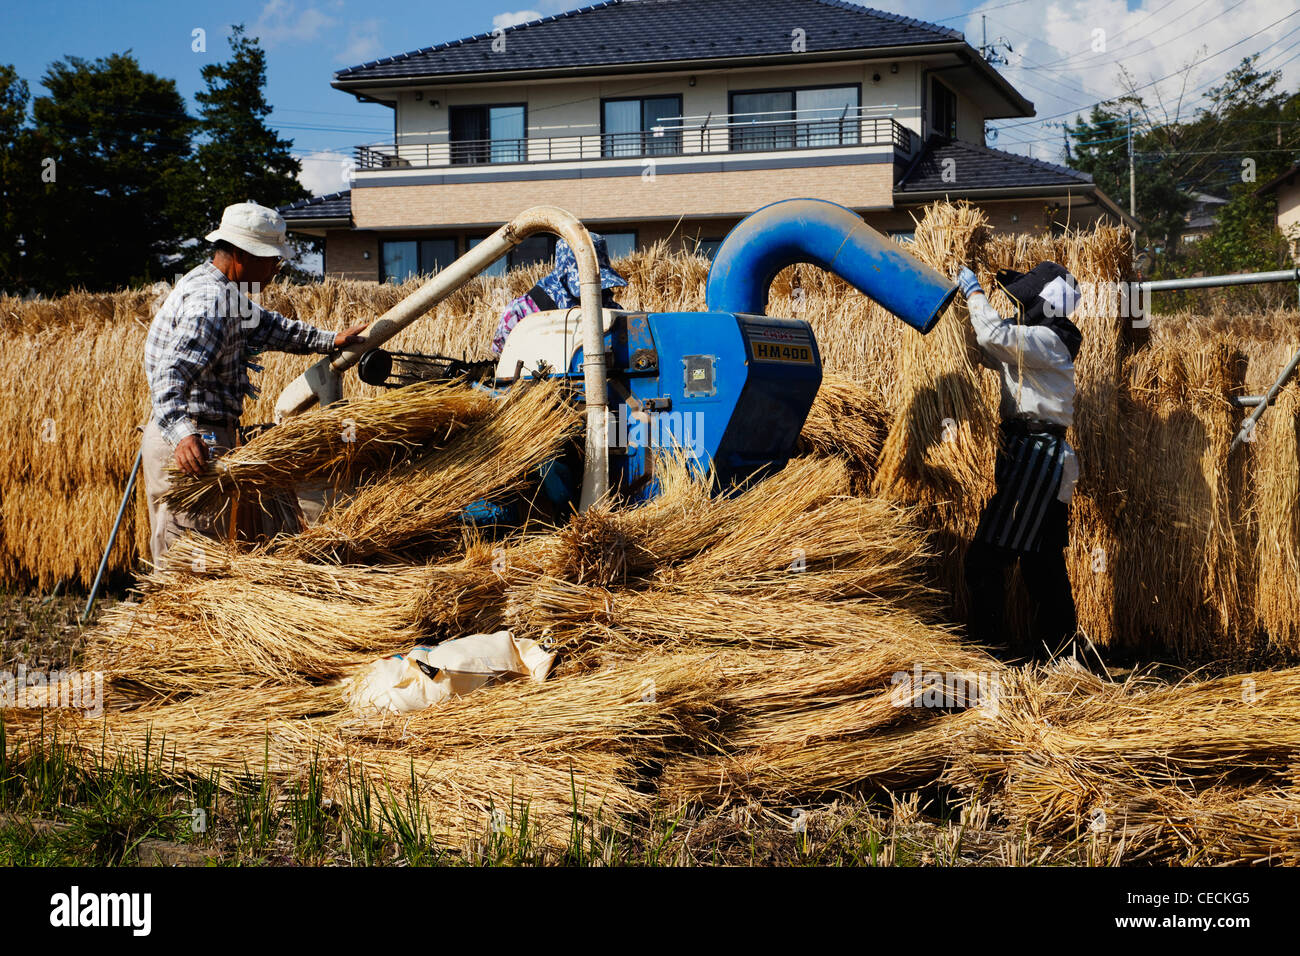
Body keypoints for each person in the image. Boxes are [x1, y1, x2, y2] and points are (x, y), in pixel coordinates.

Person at [142, 200, 368, 565]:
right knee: (190, 566)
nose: (276, 269)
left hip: (200, 435)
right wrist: (183, 435)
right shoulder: (210, 303)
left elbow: (269, 327)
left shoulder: (226, 292)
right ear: (242, 255)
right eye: (271, 259)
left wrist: (331, 340)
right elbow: (169, 375)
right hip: (192, 443)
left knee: (205, 558)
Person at [954, 261, 1083, 661]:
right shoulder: (1034, 340)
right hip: (1031, 454)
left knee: (985, 559)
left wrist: (974, 292)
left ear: (1043, 304)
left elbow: (993, 335)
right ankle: (1060, 654)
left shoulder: (1048, 339)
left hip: (1037, 456)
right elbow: (983, 347)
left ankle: (988, 652)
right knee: (1041, 562)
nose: (1017, 304)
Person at [491, 234, 628, 355]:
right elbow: (503, 368)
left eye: (599, 283)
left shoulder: (610, 309)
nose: (594, 291)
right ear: (562, 276)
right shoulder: (521, 312)